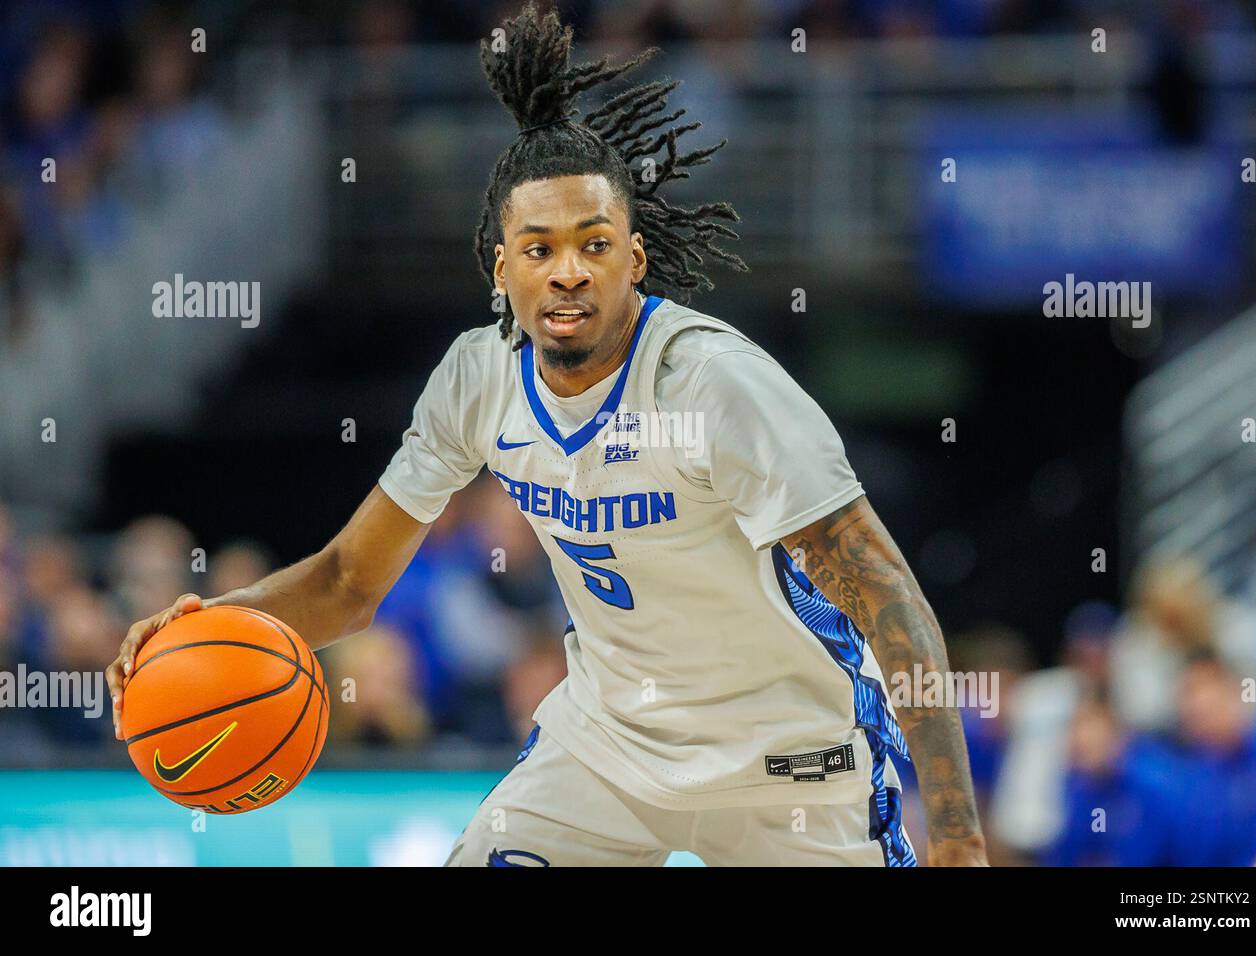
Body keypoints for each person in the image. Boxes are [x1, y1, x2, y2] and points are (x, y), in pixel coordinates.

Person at [107, 3, 985, 867]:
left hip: (788, 765)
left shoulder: (717, 383)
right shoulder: (476, 377)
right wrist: (199, 625)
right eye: (539, 248)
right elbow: (346, 581)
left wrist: (959, 838)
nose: (568, 270)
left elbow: (890, 600)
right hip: (607, 748)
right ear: (501, 266)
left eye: (594, 244)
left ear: (632, 260)